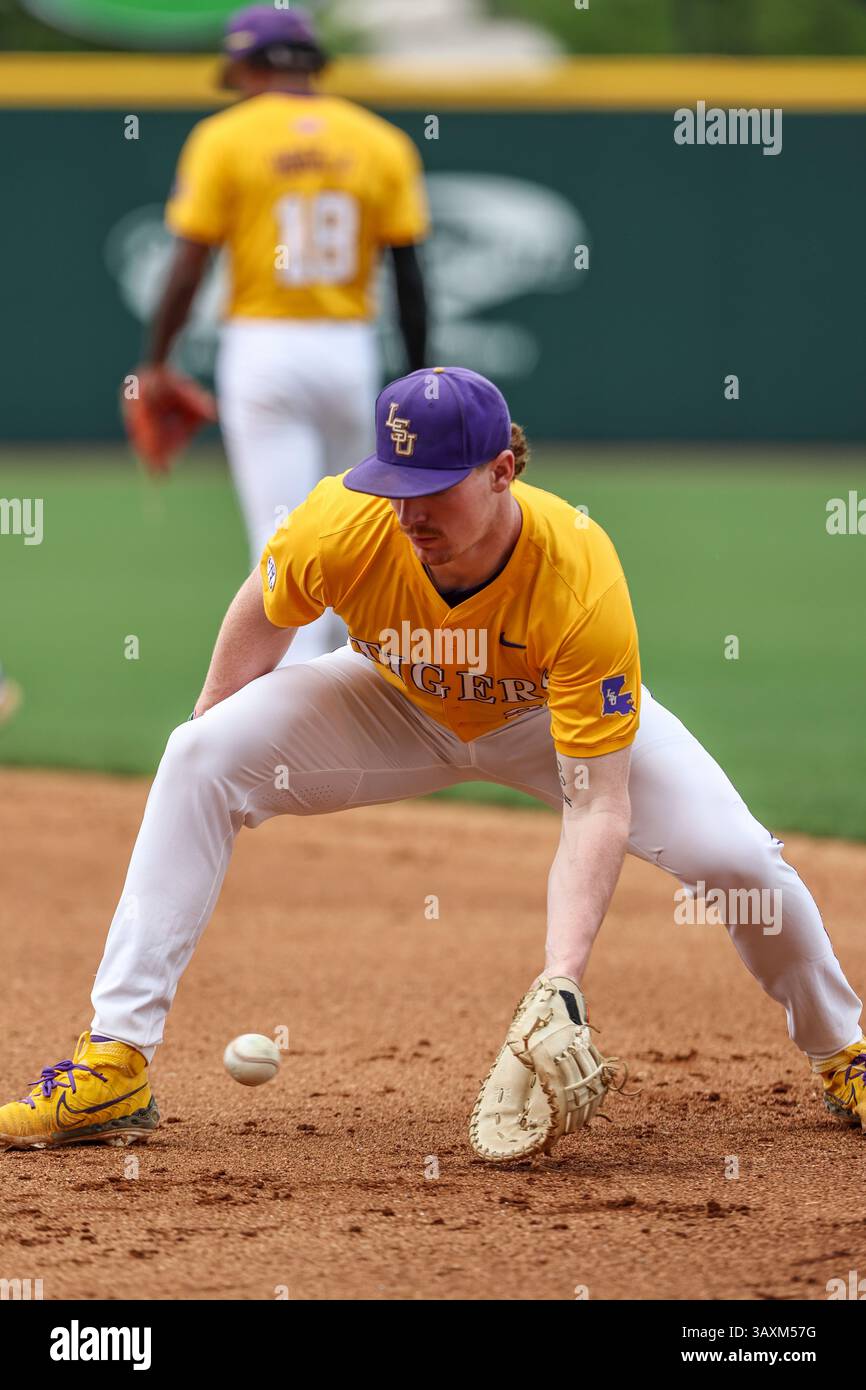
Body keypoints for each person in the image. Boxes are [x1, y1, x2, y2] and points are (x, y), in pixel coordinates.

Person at [2, 367, 864, 1152]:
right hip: (394, 701)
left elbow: (596, 804)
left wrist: (560, 981)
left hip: (542, 720)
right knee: (197, 753)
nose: (410, 514)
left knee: (742, 861)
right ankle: (115, 1062)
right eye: (396, 487)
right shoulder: (344, 521)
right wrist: (217, 735)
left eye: (433, 489)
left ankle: (843, 1052)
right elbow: (265, 607)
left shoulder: (576, 571)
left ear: (501, 471)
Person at [136, 3, 429, 660]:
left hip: (264, 348)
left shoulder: (224, 137)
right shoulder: (379, 139)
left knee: (281, 548)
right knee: (355, 538)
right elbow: (409, 275)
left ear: (245, 66)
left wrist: (155, 362)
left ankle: (289, 709)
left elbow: (189, 264)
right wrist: (420, 377)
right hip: (350, 350)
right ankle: (358, 693)